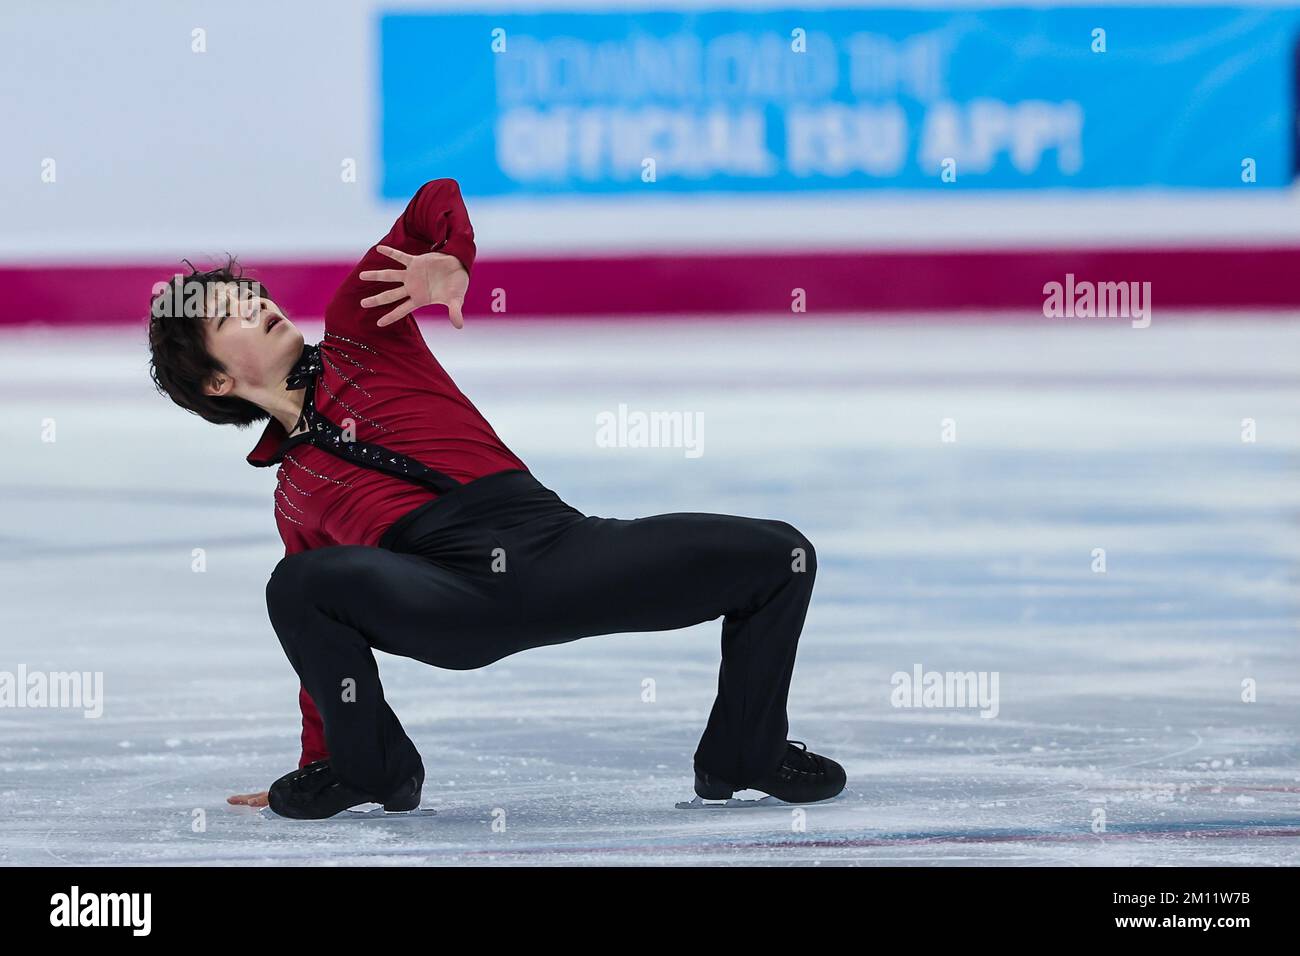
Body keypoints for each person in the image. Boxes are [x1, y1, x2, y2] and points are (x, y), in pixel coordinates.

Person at [146, 178, 846, 819]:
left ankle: (743, 752)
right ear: (217, 384)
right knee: (299, 581)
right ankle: (373, 769)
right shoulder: (294, 496)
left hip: (562, 550)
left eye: (252, 295)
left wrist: (451, 257)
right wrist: (319, 757)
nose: (258, 306)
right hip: (454, 600)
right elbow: (317, 651)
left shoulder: (360, 328)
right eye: (231, 317)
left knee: (779, 556)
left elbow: (434, 199)